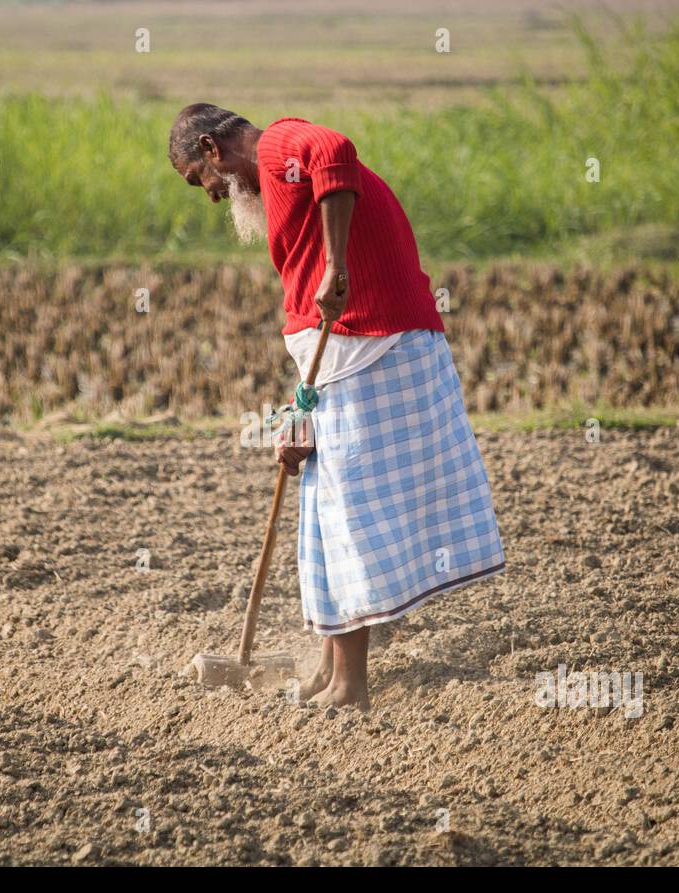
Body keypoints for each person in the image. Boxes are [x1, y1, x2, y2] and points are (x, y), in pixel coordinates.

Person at [169, 104, 505, 709]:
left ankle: (352, 685)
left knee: (351, 508)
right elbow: (307, 308)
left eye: (202, 181)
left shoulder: (277, 145)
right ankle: (329, 671)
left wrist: (339, 264)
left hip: (380, 346)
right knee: (325, 513)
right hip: (343, 358)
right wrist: (299, 414)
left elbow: (335, 151)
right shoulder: (278, 183)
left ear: (211, 149)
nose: (213, 198)